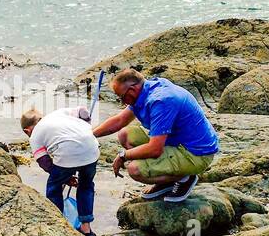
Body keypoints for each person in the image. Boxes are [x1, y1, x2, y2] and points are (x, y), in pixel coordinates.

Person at [94, 67, 219, 202]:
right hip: (176, 142)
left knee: (134, 169)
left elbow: (155, 149)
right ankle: (166, 175)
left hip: (195, 154)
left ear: (132, 89)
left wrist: (123, 156)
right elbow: (120, 120)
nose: (123, 102)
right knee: (125, 135)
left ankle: (184, 177)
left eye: (122, 97)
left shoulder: (161, 101)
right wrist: (89, 135)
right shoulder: (147, 90)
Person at [20, 105, 100, 236]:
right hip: (91, 148)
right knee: (86, 186)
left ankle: (58, 226)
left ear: (27, 130)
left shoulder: (34, 136)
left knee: (54, 187)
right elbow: (83, 110)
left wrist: (63, 176)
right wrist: (85, 125)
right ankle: (86, 229)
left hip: (66, 155)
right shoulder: (58, 114)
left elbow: (44, 161)